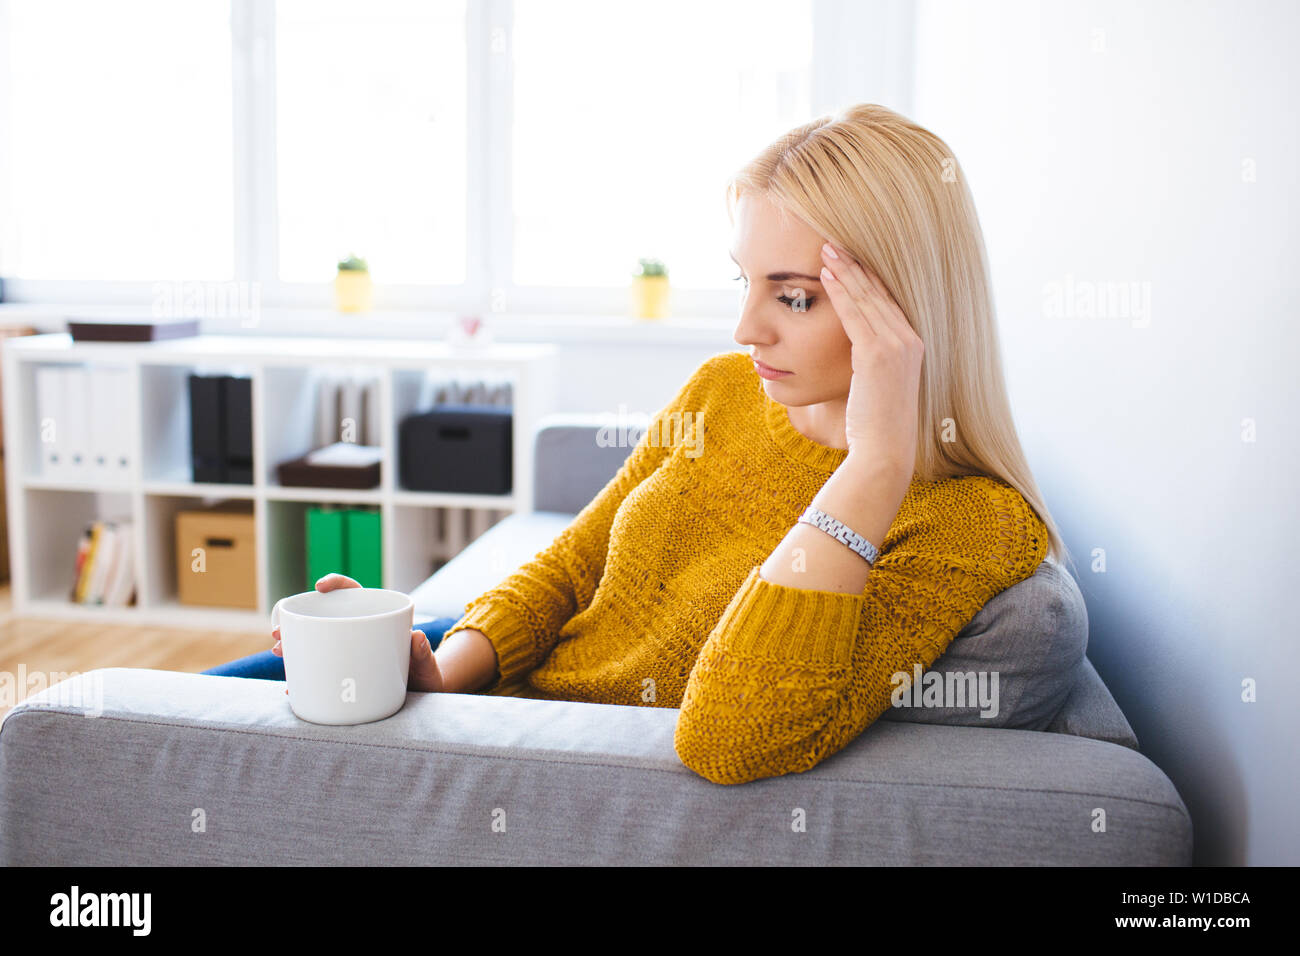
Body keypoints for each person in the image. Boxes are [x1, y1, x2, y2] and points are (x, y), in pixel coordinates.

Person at [205, 103, 1071, 786]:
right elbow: (577, 559)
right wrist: (449, 667)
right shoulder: (723, 390)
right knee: (142, 711)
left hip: (548, 747)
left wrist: (872, 466)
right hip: (484, 671)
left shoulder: (971, 524)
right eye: (745, 283)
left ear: (906, 310)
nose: (745, 329)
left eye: (795, 297)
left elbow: (731, 737)